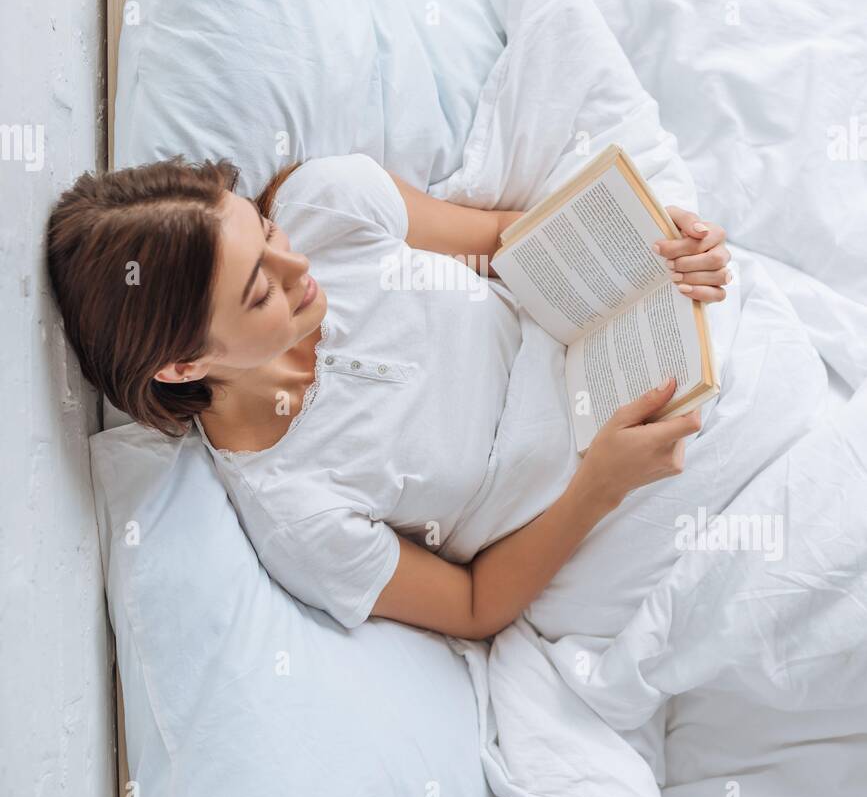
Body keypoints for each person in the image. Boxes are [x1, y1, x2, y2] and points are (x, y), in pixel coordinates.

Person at [47, 152, 731, 639]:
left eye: (266, 231)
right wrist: (601, 485)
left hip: (636, 346)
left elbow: (501, 240)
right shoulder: (299, 511)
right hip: (610, 500)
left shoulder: (325, 206)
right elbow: (472, 605)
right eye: (258, 290)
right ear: (182, 364)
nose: (297, 267)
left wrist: (653, 250)